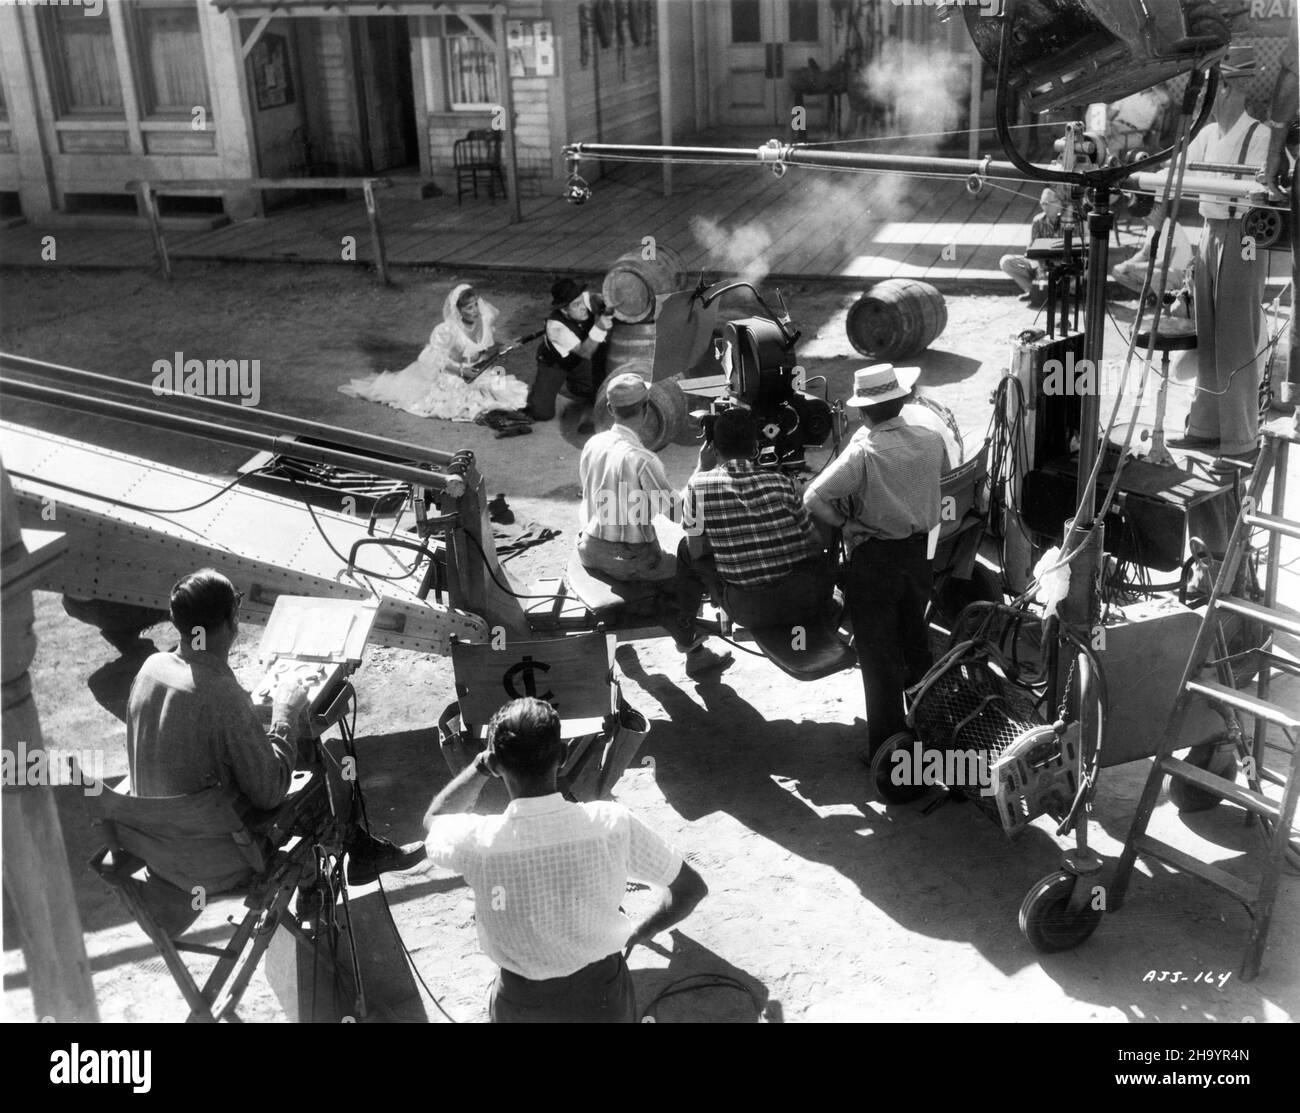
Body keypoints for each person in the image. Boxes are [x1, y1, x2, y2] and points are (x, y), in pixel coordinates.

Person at [126, 568, 422, 886]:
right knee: (317, 769)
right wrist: (285, 713)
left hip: (158, 852)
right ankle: (319, 890)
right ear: (232, 619)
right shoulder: (223, 696)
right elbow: (270, 793)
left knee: (299, 750)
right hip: (216, 864)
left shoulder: (151, 668)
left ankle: (356, 853)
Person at [422, 697, 708, 1023]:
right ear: (562, 756)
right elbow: (691, 888)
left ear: (498, 766)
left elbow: (435, 821)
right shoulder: (611, 823)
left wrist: (478, 767)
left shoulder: (479, 841)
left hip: (521, 1003)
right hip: (603, 997)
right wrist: (641, 931)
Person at [803, 365, 949, 758]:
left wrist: (847, 524)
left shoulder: (864, 450)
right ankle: (931, 733)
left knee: (879, 657)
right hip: (920, 556)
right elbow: (943, 479)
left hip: (875, 562)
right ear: (901, 402)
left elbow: (813, 498)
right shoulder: (931, 439)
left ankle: (888, 750)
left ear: (864, 413)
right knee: (916, 644)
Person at [576, 373, 731, 678]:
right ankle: (694, 650)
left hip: (589, 548)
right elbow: (684, 517)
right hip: (633, 559)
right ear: (646, 409)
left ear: (610, 409)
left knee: (663, 568)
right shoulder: (642, 460)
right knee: (691, 570)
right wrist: (702, 470)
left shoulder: (594, 444)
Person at [1167, 47, 1273, 459]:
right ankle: (1207, 427)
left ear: (1230, 88)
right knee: (1208, 334)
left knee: (1236, 337)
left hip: (1244, 237)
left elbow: (1266, 193)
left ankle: (1241, 435)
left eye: (1215, 89)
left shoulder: (1260, 135)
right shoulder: (1207, 135)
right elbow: (1176, 171)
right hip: (1210, 231)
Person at [671, 407, 835, 647]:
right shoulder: (782, 482)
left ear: (715, 450)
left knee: (686, 550)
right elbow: (813, 542)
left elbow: (696, 551)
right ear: (755, 449)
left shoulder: (699, 485)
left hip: (749, 611)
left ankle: (686, 631)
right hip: (802, 603)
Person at [339, 283, 528, 421]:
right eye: (468, 308)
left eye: (475, 305)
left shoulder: (484, 323)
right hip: (454, 373)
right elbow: (433, 359)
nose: (474, 311)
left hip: (478, 369)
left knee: (506, 391)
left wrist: (500, 349)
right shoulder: (447, 330)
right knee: (467, 401)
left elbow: (484, 351)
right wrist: (462, 372)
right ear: (459, 310)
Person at [526, 277, 614, 422]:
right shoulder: (555, 327)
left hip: (579, 362)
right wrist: (599, 327)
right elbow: (585, 352)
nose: (583, 307)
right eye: (576, 305)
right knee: (541, 413)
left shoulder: (586, 299)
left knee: (599, 390)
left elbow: (599, 298)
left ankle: (577, 385)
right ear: (564, 310)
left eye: (581, 301)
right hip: (556, 365)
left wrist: (607, 303)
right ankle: (539, 394)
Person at [1110, 197, 1194, 299]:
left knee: (1154, 275)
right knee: (1117, 270)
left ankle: (1170, 303)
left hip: (1180, 274)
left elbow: (1164, 263)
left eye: (1146, 214)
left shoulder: (1171, 228)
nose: (1143, 218)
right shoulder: (1152, 226)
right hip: (1164, 272)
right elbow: (1145, 253)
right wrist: (1127, 264)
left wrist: (1132, 266)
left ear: (1157, 210)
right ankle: (1151, 295)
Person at [999, 188, 1065, 301]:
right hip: (1043, 263)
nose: (1045, 207)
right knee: (1006, 262)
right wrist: (1038, 268)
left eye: (1048, 203)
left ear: (1059, 203)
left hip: (1063, 265)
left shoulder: (1070, 220)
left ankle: (1061, 292)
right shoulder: (1038, 221)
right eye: (1042, 204)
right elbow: (1031, 250)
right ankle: (1035, 290)